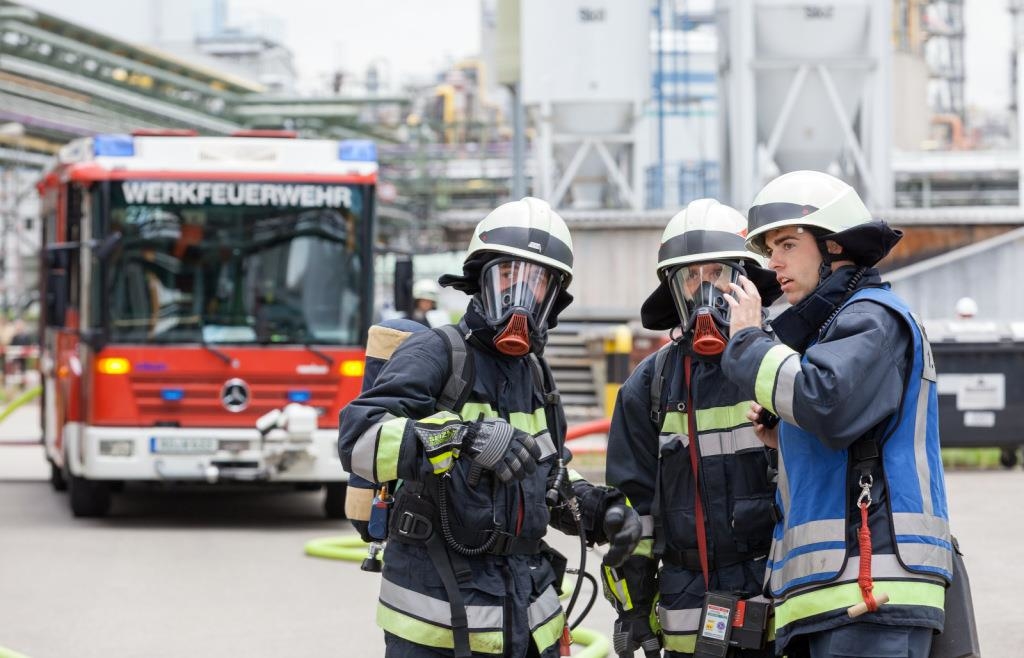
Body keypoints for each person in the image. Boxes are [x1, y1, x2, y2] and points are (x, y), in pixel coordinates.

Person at [339, 197, 642, 658]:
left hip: (528, 619)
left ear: (553, 295)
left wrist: (598, 510)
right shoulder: (437, 354)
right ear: (480, 279)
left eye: (536, 281)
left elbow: (550, 470)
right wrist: (458, 437)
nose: (519, 294)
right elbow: (358, 440)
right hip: (437, 623)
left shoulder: (537, 375)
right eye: (506, 275)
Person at [720, 171, 952, 657]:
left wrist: (747, 341)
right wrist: (785, 436)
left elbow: (825, 401)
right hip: (835, 597)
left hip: (873, 594)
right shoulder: (837, 330)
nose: (774, 263)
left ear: (835, 248)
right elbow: (847, 436)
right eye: (769, 250)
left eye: (787, 244)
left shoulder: (872, 317)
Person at [604, 199, 782, 657]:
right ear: (675, 291)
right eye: (691, 277)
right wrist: (633, 608)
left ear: (745, 280)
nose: (706, 291)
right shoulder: (649, 387)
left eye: (717, 274)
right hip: (689, 611)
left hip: (777, 597)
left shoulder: (783, 367)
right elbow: (632, 510)